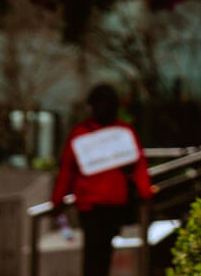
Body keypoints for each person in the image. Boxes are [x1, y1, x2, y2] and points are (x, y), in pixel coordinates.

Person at [52, 84, 153, 276]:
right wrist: (145, 192)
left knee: (96, 253)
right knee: (99, 253)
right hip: (102, 204)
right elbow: (139, 164)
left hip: (101, 204)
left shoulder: (86, 132)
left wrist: (58, 200)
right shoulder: (121, 131)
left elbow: (67, 169)